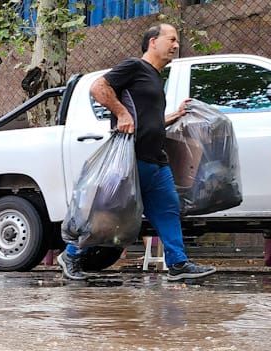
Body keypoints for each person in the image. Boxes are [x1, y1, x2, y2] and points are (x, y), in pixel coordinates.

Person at [58, 23, 216, 282]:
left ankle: (178, 263)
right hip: (130, 159)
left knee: (168, 210)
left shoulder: (155, 77)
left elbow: (147, 119)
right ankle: (71, 255)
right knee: (107, 212)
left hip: (156, 160)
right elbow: (98, 87)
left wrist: (174, 115)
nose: (176, 45)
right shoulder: (134, 66)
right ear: (153, 41)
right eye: (171, 39)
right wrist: (121, 113)